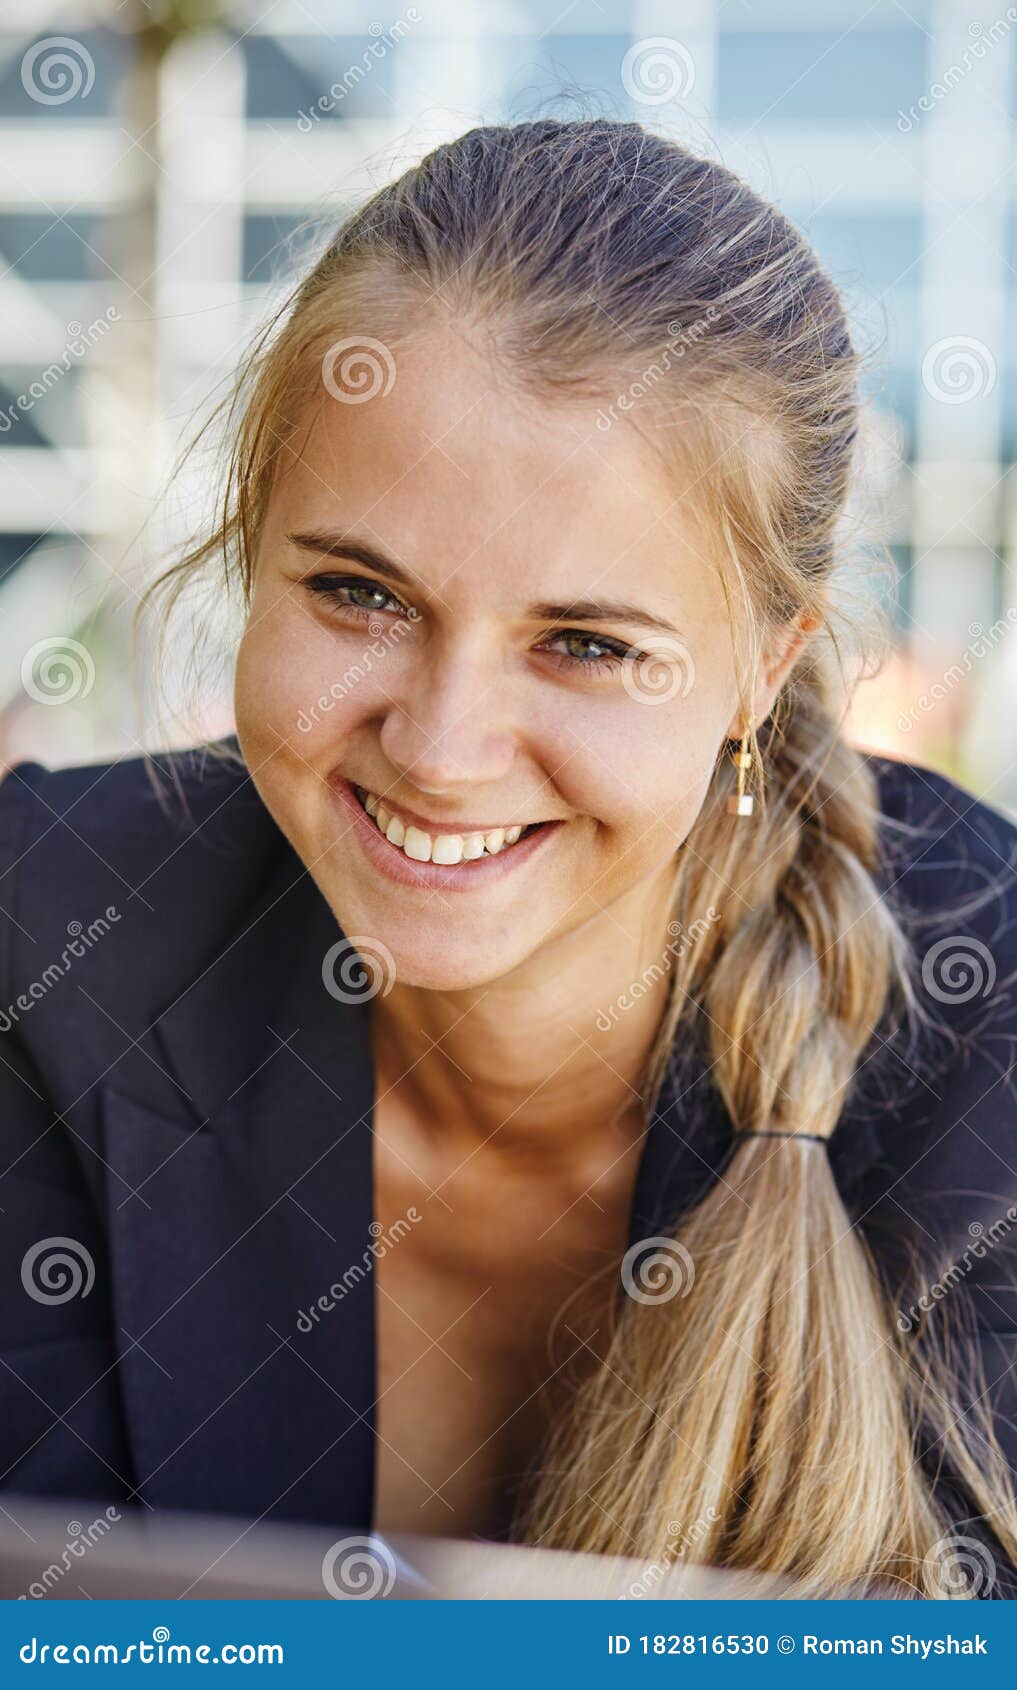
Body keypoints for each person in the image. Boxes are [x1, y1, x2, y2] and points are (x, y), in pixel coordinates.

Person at [2, 120, 1016, 1600]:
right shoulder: (50, 947)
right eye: (358, 592)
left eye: (587, 644)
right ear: (247, 550)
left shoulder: (982, 1040)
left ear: (762, 669)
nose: (442, 745)